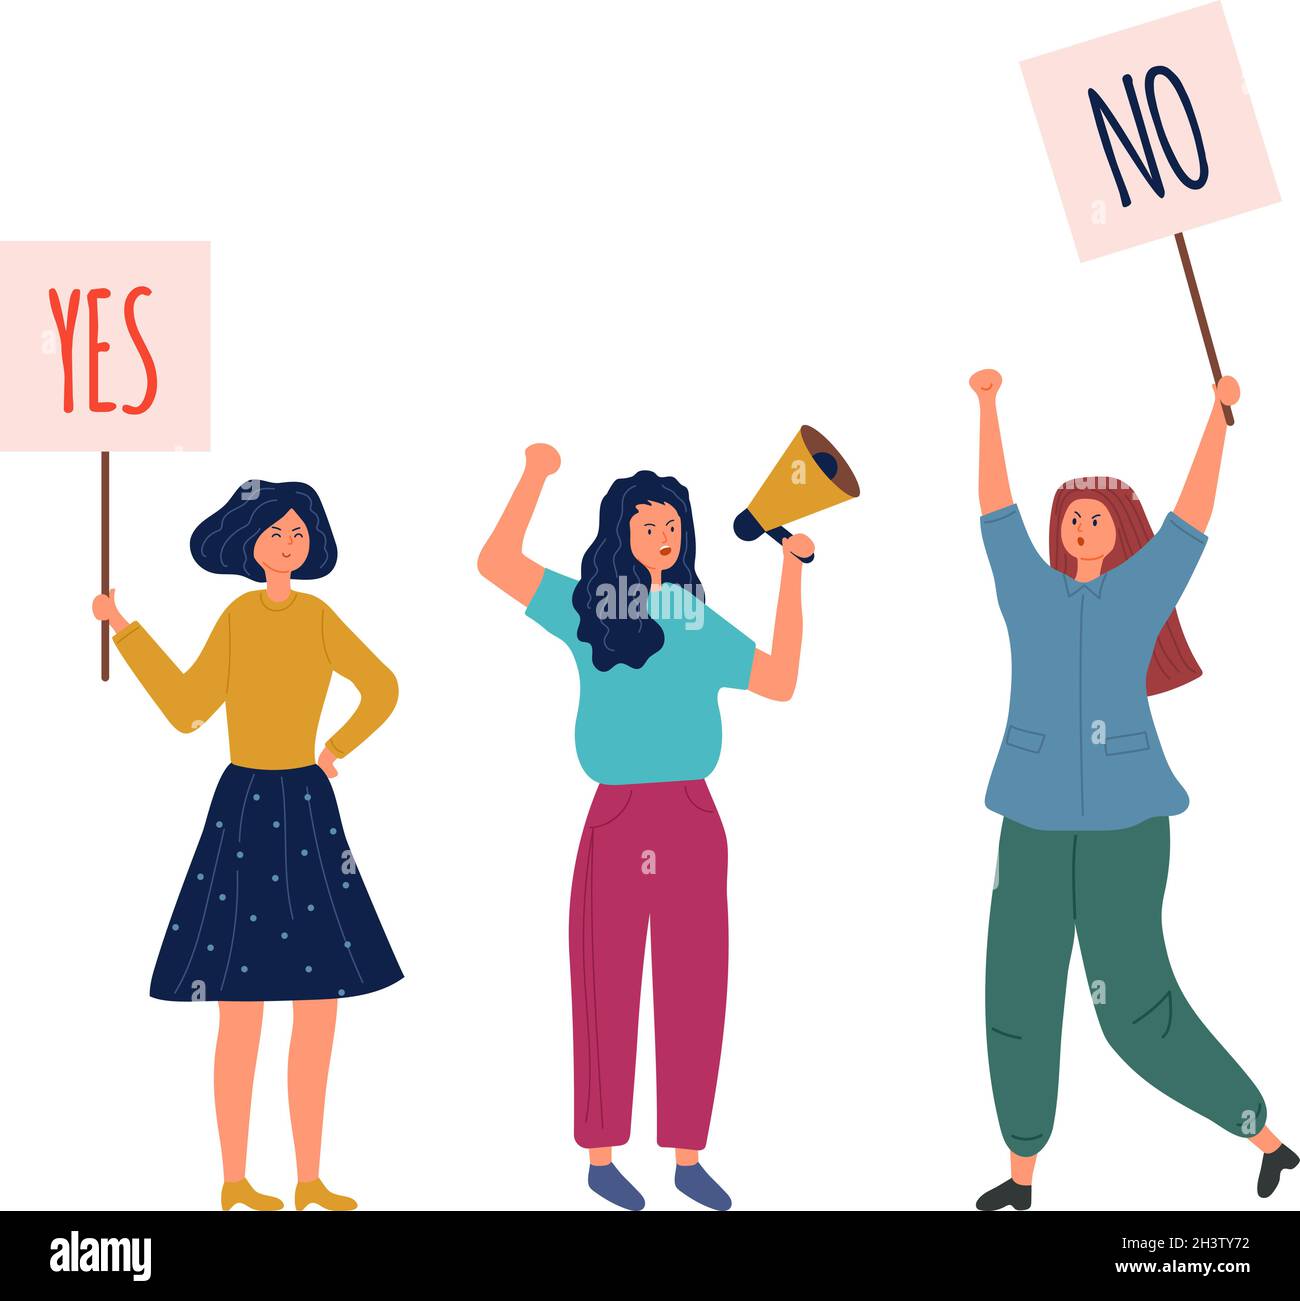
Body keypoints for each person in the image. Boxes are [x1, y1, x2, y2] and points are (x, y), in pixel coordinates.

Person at [970, 369, 1296, 1210]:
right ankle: (1021, 1171)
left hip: (1124, 830)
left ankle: (1258, 1128)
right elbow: (995, 514)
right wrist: (987, 408)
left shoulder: (1144, 592)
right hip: (1033, 827)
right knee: (1017, 992)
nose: (1083, 527)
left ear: (1120, 534)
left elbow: (1190, 522)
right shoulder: (1028, 592)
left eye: (1099, 519)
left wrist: (1216, 425)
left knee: (1134, 1008)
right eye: (1073, 516)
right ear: (1061, 529)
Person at [478, 444, 812, 1210]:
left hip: (692, 815)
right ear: (619, 532)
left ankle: (687, 1156)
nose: (663, 534)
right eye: (648, 523)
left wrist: (792, 571)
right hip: (619, 814)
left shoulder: (694, 617)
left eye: (673, 525)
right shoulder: (589, 607)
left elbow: (781, 678)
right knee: (605, 978)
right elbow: (496, 561)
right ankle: (601, 1157)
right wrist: (535, 472)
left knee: (697, 984)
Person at [91, 479, 401, 1211]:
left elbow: (382, 686)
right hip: (248, 809)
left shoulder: (320, 615)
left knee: (319, 1002)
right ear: (251, 544)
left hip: (306, 806)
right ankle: (234, 1180)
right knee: (241, 1003)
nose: (287, 545)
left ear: (311, 543)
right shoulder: (236, 616)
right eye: (275, 533)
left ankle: (308, 1178)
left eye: (298, 533)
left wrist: (336, 747)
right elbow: (188, 708)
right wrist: (124, 628)